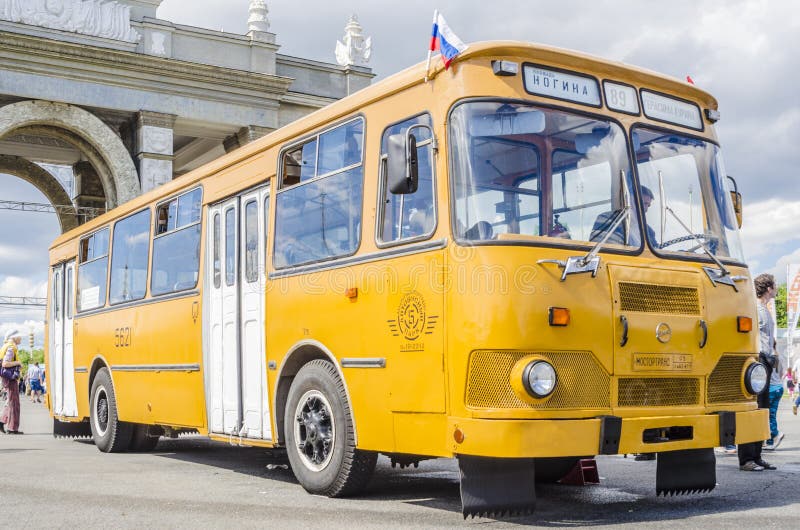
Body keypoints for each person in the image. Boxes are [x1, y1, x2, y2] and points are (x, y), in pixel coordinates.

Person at [738, 274, 779, 470]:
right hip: (757, 360)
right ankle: (746, 459)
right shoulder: (754, 308)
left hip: (766, 362)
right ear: (769, 288)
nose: (776, 288)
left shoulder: (765, 310)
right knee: (752, 409)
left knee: (762, 410)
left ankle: (756, 456)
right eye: (775, 285)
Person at [0, 329, 24, 434]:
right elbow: (5, 363)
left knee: (10, 402)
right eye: (20, 336)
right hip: (11, 378)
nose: (21, 338)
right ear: (14, 337)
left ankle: (3, 421)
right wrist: (18, 362)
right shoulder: (11, 348)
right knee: (14, 403)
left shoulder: (6, 346)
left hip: (7, 378)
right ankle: (12, 428)